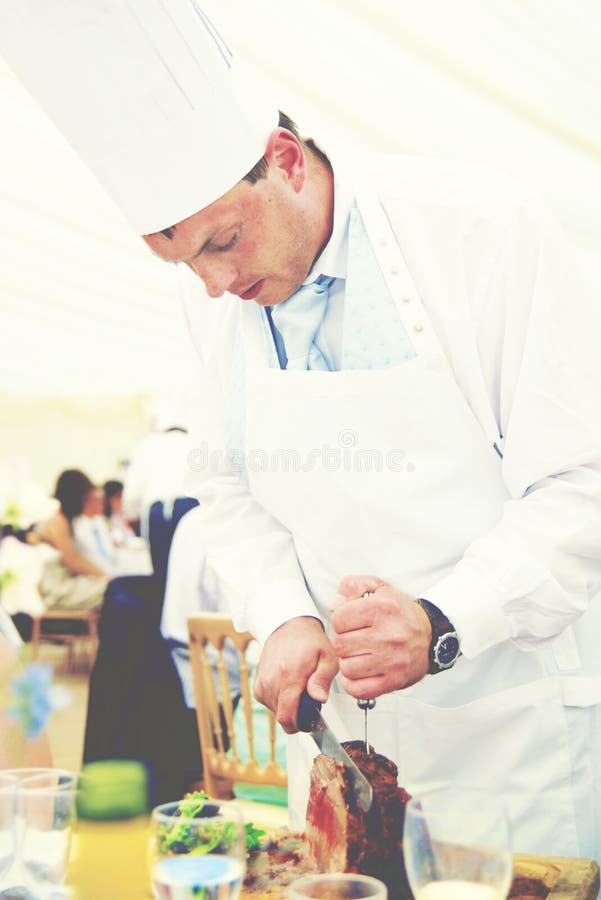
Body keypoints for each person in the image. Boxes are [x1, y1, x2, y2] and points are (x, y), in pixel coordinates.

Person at [1, 2, 600, 861]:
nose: (212, 286)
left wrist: (442, 618)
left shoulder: (477, 228)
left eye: (223, 243)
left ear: (284, 160)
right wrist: (280, 615)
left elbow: (581, 484)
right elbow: (226, 488)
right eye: (184, 263)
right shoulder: (211, 289)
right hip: (331, 744)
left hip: (506, 724)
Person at [35, 469, 109, 610]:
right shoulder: (57, 520)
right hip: (56, 590)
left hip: (63, 584)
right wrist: (106, 577)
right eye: (86, 498)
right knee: (113, 589)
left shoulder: (66, 520)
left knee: (116, 588)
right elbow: (72, 561)